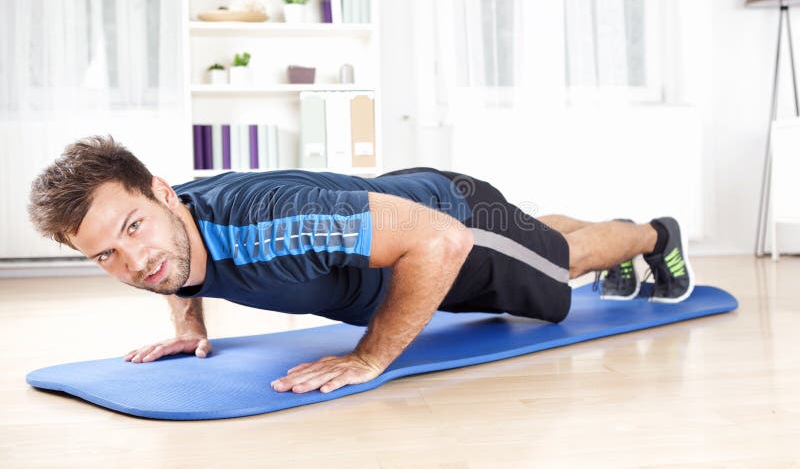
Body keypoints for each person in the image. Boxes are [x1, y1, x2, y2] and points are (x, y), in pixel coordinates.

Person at [28, 136, 694, 395]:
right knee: (536, 242)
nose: (133, 259)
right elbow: (168, 263)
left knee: (557, 269)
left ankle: (652, 235)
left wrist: (370, 357)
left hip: (452, 227)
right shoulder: (167, 229)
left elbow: (439, 245)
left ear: (162, 192)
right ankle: (580, 235)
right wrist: (187, 324)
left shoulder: (272, 224)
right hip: (410, 214)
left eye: (133, 227)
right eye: (105, 255)